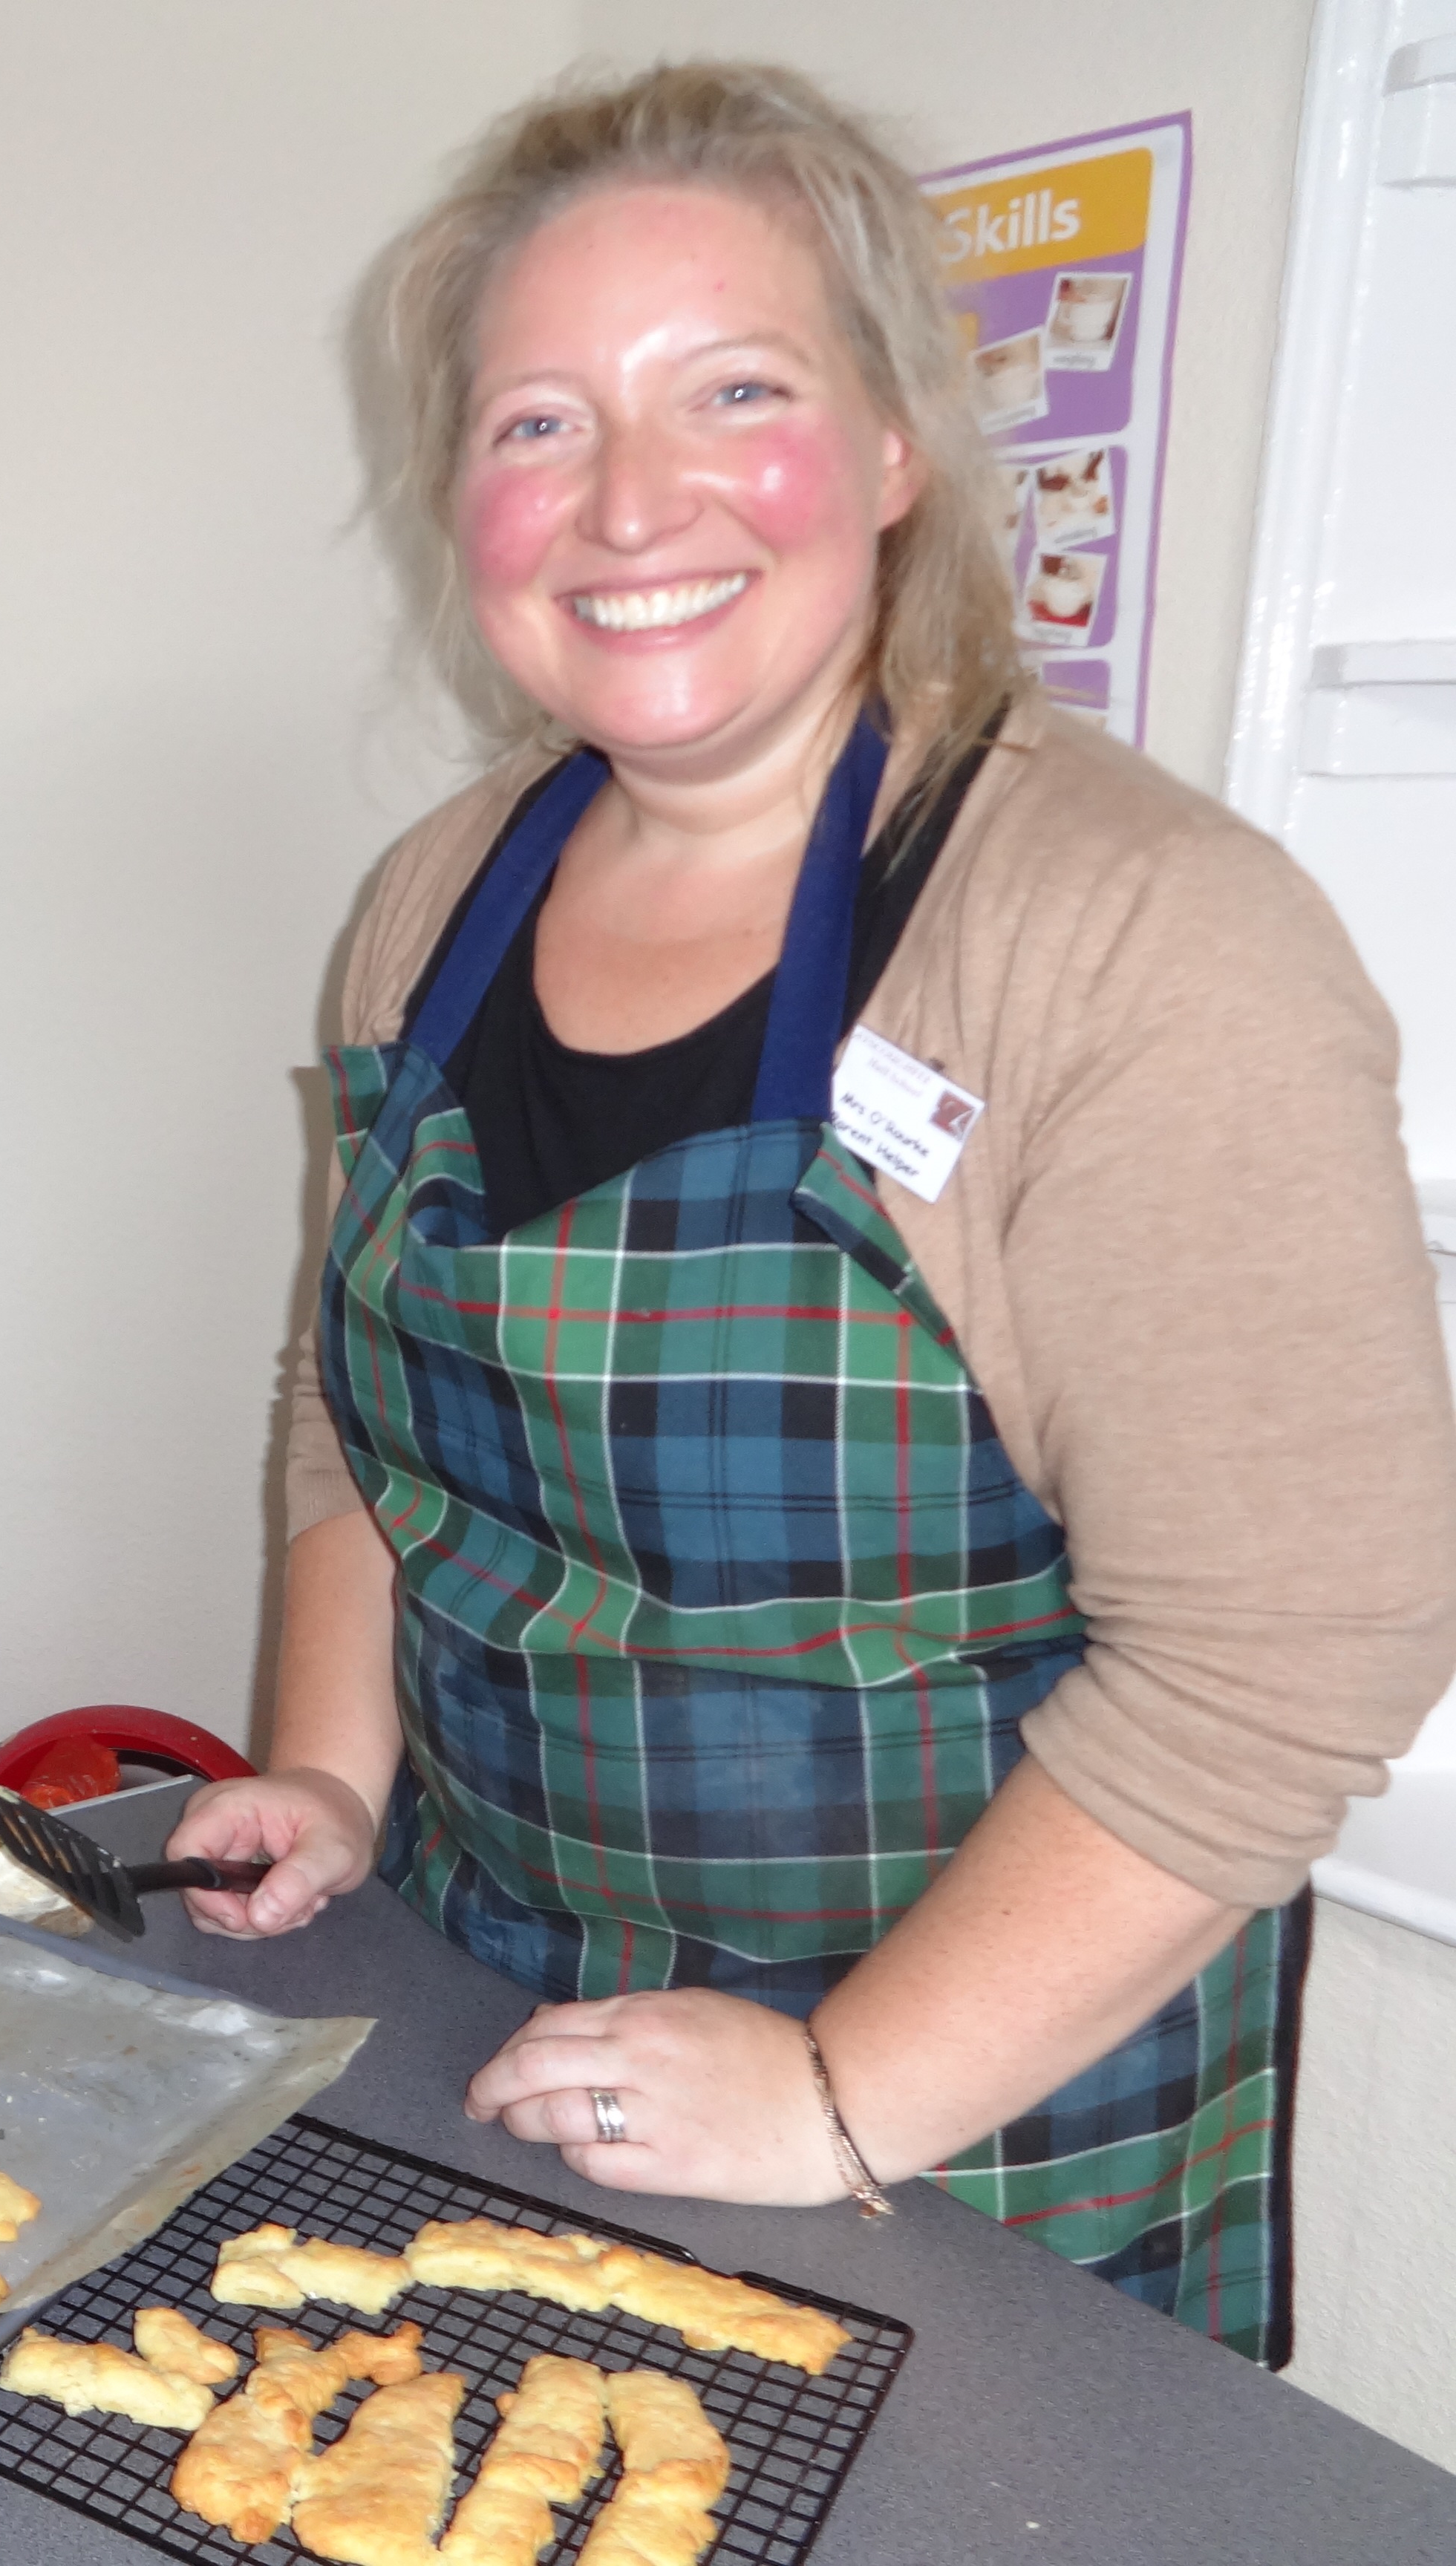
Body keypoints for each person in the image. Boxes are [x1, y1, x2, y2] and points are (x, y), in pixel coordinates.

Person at [164, 62, 1456, 2366]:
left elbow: (1297, 1655)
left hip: (981, 2138)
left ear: (891, 451)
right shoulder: (431, 904)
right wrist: (335, 1773)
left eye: (731, 392)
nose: (628, 499)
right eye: (538, 422)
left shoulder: (1142, 936)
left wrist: (849, 2090)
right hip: (504, 2027)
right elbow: (344, 1400)